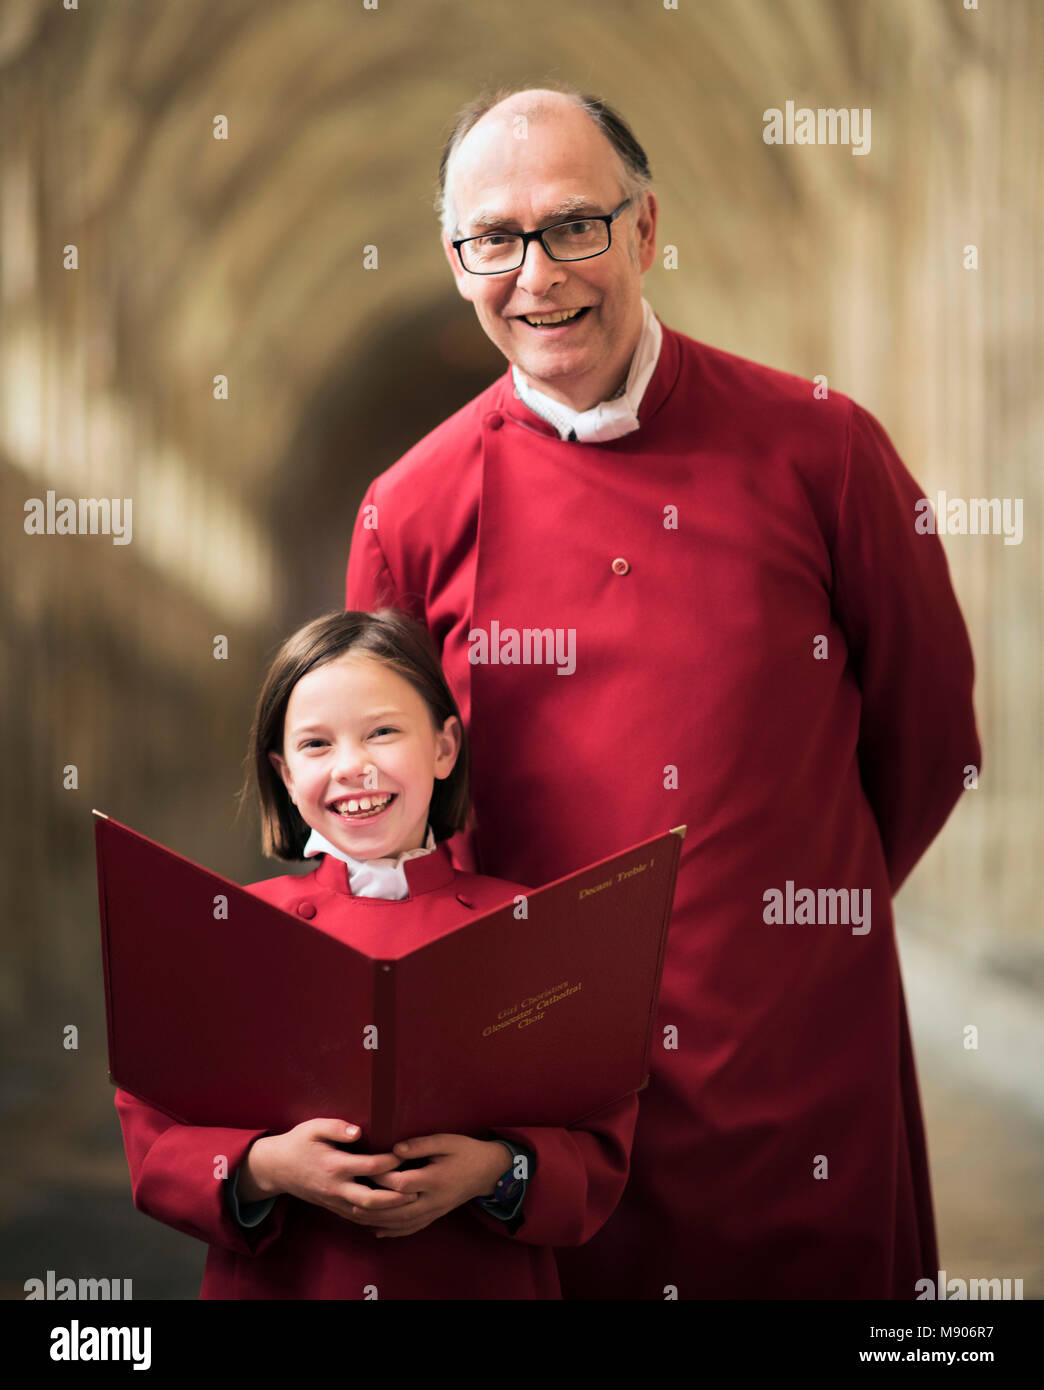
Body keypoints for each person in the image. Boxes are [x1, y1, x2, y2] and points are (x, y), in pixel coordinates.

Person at [343, 83, 983, 1298]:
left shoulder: (826, 450)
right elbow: (382, 819)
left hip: (799, 1072)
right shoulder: (409, 510)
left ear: (644, 231)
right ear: (454, 257)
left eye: (574, 226)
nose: (536, 276)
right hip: (541, 1107)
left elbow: (932, 737)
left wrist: (787, 926)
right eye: (495, 239)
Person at [114, 608, 638, 1299]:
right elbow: (154, 1143)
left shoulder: (533, 924)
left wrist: (492, 1169)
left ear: (445, 747)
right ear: (283, 770)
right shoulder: (229, 926)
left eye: (383, 731)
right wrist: (267, 1166)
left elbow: (601, 1146)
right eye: (315, 745)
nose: (353, 768)